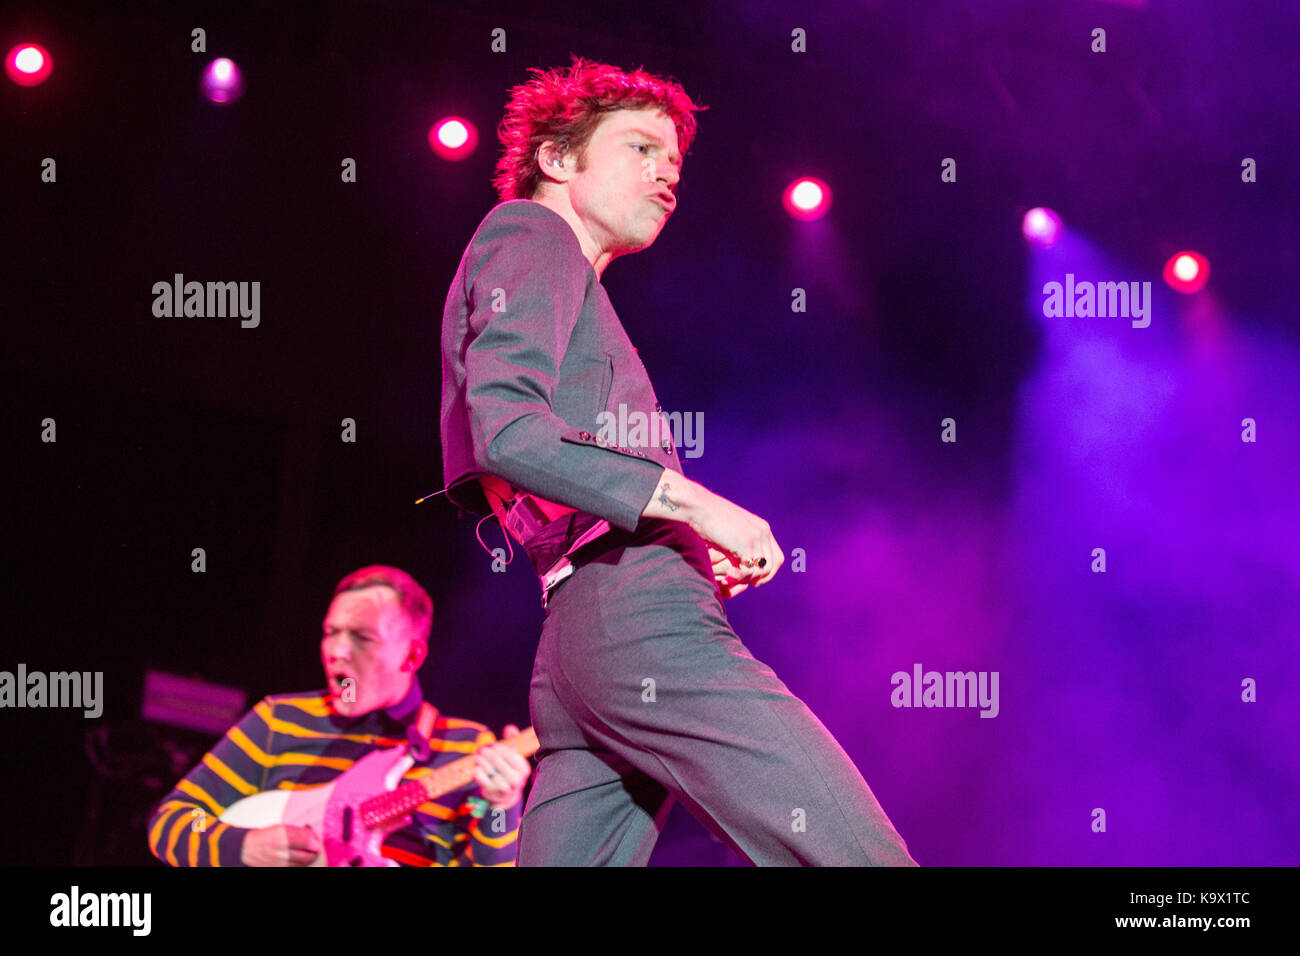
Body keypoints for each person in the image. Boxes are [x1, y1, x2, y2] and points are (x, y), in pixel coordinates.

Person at [440, 57, 918, 866]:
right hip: (637, 619)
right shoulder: (531, 232)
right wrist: (695, 507)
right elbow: (509, 432)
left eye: (675, 162)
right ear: (558, 159)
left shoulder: (563, 278)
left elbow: (529, 457)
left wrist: (683, 542)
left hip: (580, 638)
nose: (667, 174)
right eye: (640, 148)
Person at [146, 565, 530, 866]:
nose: (337, 650)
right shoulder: (277, 721)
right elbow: (170, 822)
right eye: (331, 632)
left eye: (362, 637)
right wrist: (242, 846)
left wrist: (503, 806)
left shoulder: (468, 746)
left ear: (412, 655)